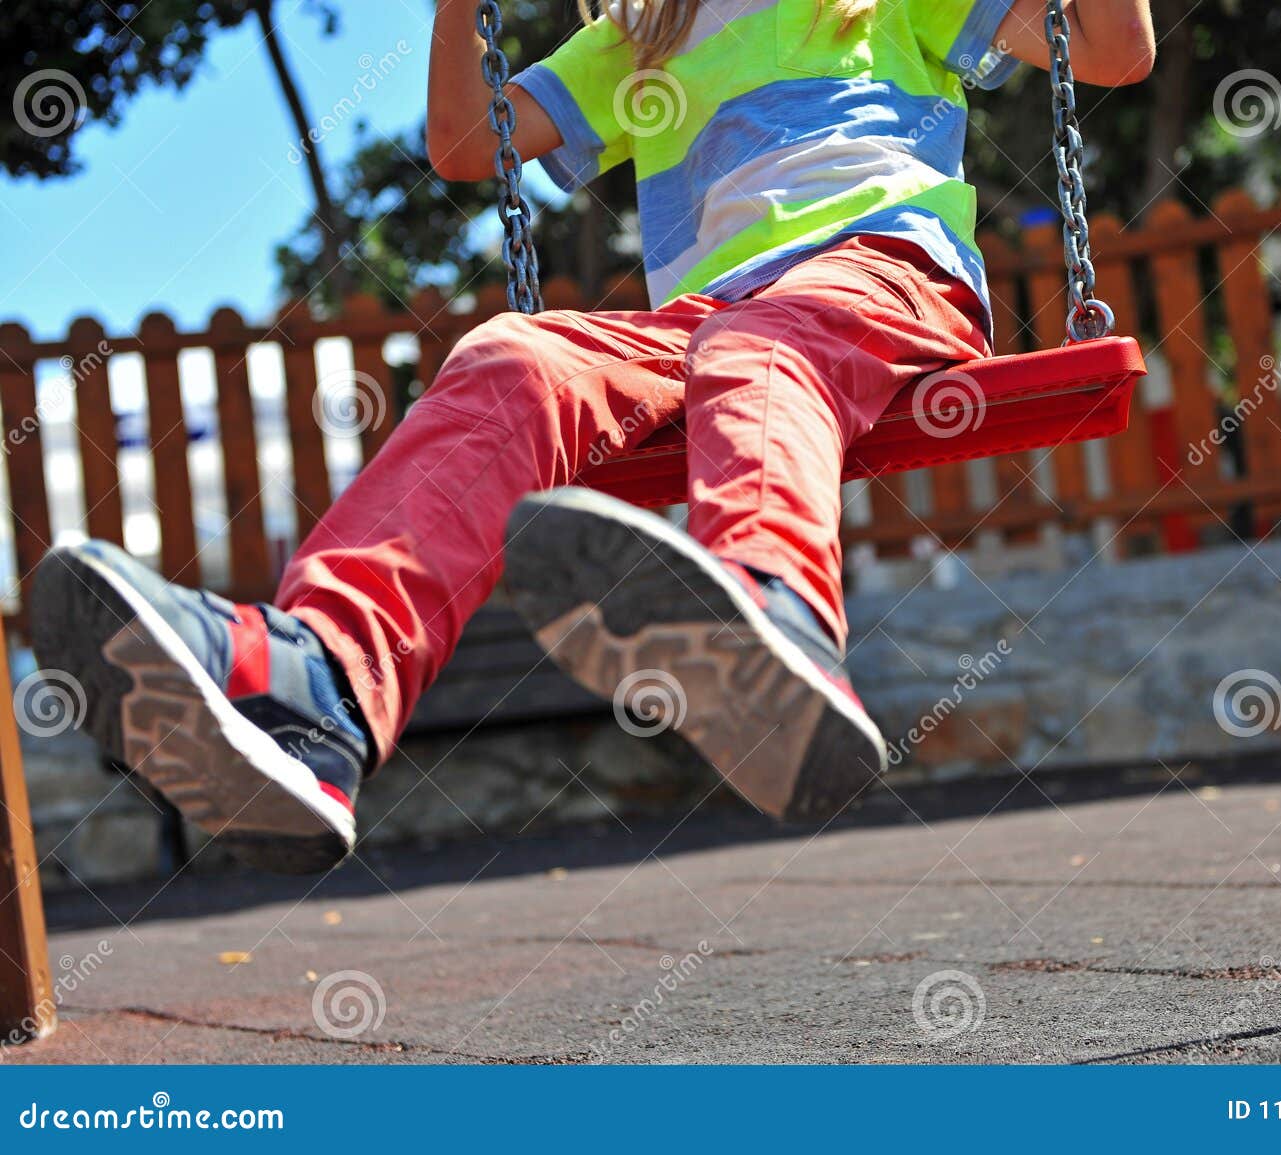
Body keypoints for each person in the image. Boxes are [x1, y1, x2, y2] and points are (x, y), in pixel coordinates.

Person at [32, 0, 1156, 874]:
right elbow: (469, 141)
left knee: (757, 351)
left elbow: (1111, 47)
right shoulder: (640, 39)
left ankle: (778, 618)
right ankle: (317, 685)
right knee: (511, 356)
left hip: (880, 279)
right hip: (704, 329)